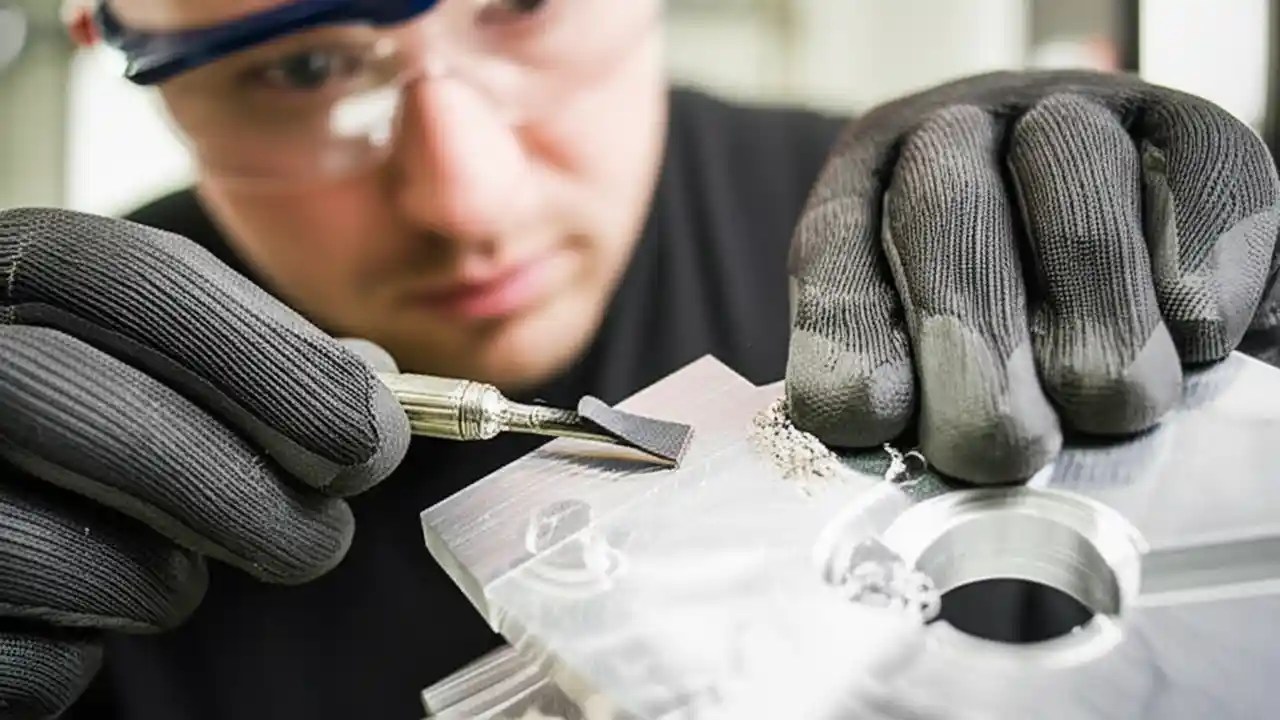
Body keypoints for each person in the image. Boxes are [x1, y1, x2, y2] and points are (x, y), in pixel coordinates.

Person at [1, 0, 1277, 718]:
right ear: (99, 34)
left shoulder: (960, 249)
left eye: (521, 3)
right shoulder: (36, 436)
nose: (469, 200)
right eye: (300, 67)